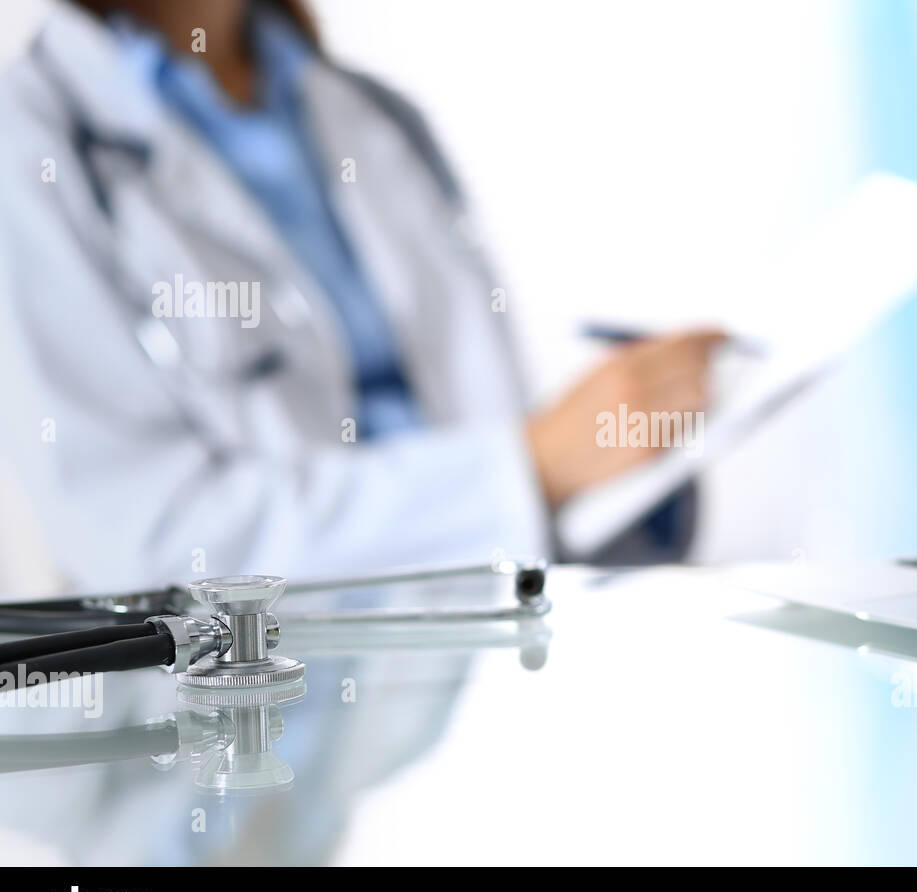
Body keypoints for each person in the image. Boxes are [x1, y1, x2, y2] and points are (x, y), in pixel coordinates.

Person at [0, 0, 722, 591]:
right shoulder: (32, 142)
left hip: (482, 686)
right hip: (254, 727)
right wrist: (528, 469)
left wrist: (627, 458)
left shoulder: (372, 115)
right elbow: (143, 544)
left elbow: (482, 444)